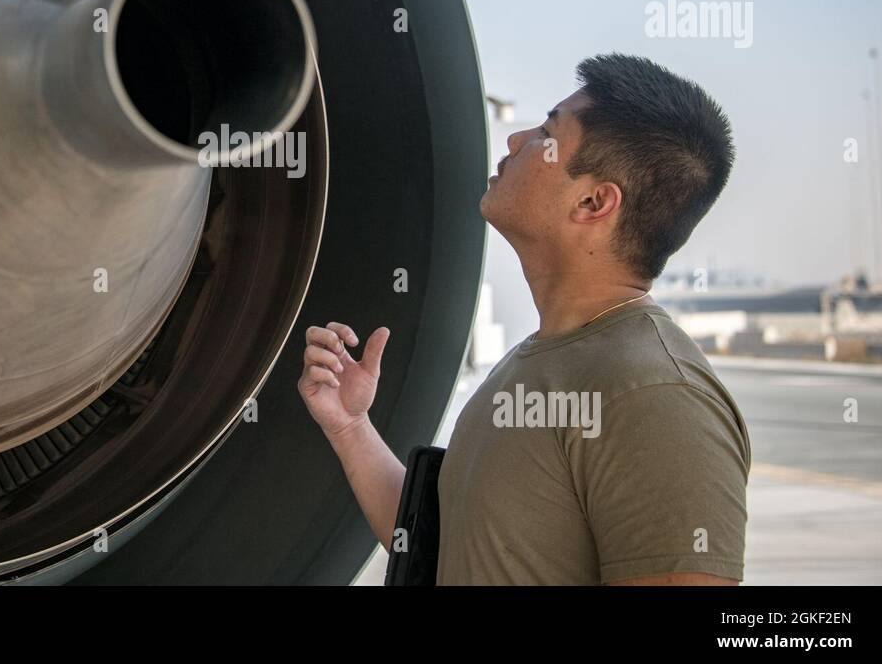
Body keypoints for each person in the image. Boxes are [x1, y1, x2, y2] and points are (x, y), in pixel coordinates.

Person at [299, 53, 750, 585]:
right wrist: (351, 427)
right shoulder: (538, 359)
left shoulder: (654, 396)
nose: (516, 140)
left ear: (593, 201)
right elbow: (450, 554)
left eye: (548, 133)